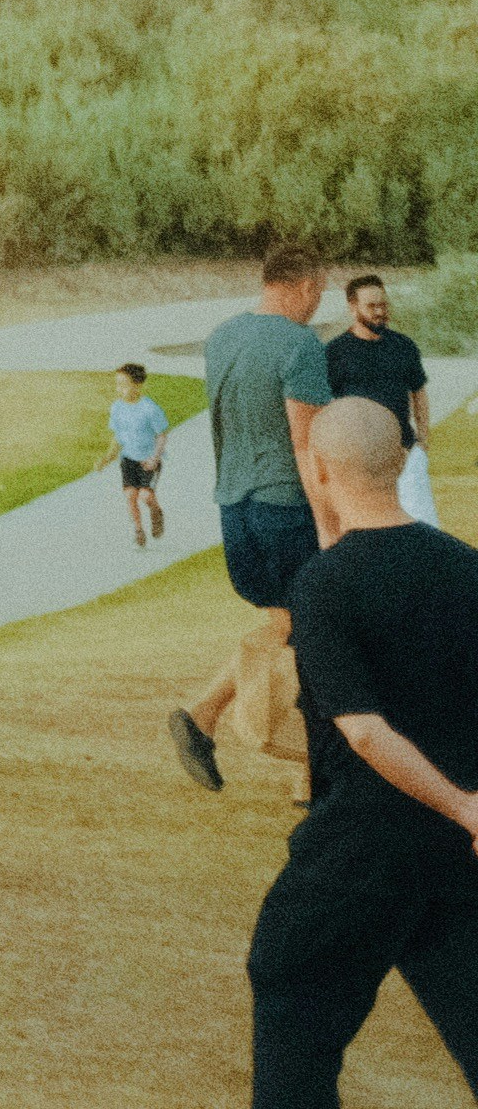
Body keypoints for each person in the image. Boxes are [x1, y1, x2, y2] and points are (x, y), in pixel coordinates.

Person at [256, 394, 478, 1105]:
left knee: (291, 1008)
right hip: (452, 861)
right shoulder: (467, 569)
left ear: (316, 468)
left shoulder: (325, 586)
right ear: (406, 458)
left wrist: (467, 807)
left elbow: (364, 730)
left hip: (360, 853)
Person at [188, 248, 343, 790]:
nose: (316, 304)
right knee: (322, 629)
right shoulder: (300, 344)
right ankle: (311, 771)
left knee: (291, 626)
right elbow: (307, 445)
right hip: (285, 512)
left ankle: (205, 720)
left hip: (234, 510)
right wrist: (329, 525)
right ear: (303, 286)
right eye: (319, 292)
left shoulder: (222, 336)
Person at [338, 274, 436, 535]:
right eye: (372, 306)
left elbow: (418, 393)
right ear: (352, 306)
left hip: (405, 454)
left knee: (422, 530)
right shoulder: (335, 353)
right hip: (359, 461)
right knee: (368, 534)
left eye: (383, 305)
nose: (380, 312)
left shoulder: (403, 346)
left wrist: (422, 441)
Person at [120, 364, 180, 549]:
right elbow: (117, 435)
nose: (119, 389)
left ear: (137, 385)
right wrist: (107, 457)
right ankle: (138, 530)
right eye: (118, 385)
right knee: (130, 495)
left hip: (148, 460)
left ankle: (156, 512)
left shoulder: (150, 408)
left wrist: (155, 457)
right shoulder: (118, 408)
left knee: (145, 496)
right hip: (128, 459)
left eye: (124, 385)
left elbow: (162, 434)